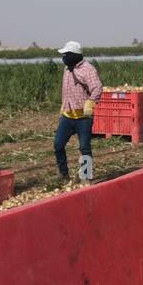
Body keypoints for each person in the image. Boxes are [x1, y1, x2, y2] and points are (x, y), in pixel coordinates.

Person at [54, 41, 103, 185]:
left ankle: (86, 176)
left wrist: (91, 102)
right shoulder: (67, 69)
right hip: (68, 115)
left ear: (75, 55)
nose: (64, 57)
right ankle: (63, 174)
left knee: (84, 147)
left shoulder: (88, 69)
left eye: (66, 54)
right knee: (58, 145)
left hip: (83, 118)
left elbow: (97, 88)